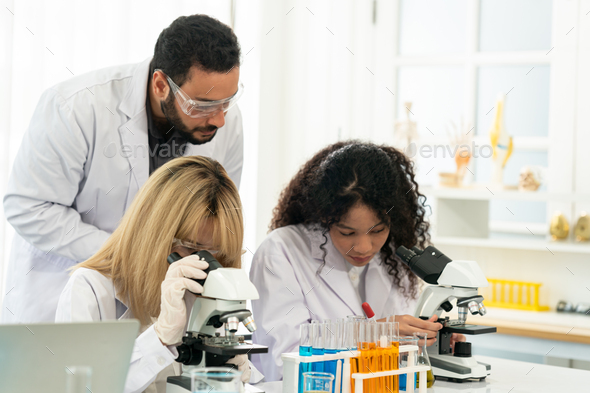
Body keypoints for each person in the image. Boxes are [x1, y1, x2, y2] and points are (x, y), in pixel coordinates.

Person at [3, 14, 245, 323]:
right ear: (161, 85)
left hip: (165, 303)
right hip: (64, 298)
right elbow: (28, 206)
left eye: (228, 102)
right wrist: (136, 253)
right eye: (202, 106)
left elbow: (217, 212)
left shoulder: (226, 121)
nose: (219, 120)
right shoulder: (76, 107)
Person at [249, 141, 465, 381]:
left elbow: (399, 354)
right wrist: (376, 332)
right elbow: (284, 365)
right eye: (347, 233)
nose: (364, 247)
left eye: (377, 230)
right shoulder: (281, 252)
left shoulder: (393, 256)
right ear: (324, 217)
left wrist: (428, 342)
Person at [55, 156, 261, 392]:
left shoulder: (209, 286)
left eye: (215, 252)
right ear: (154, 234)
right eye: (191, 248)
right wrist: (161, 337)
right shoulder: (89, 290)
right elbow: (84, 387)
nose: (205, 264)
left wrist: (239, 372)